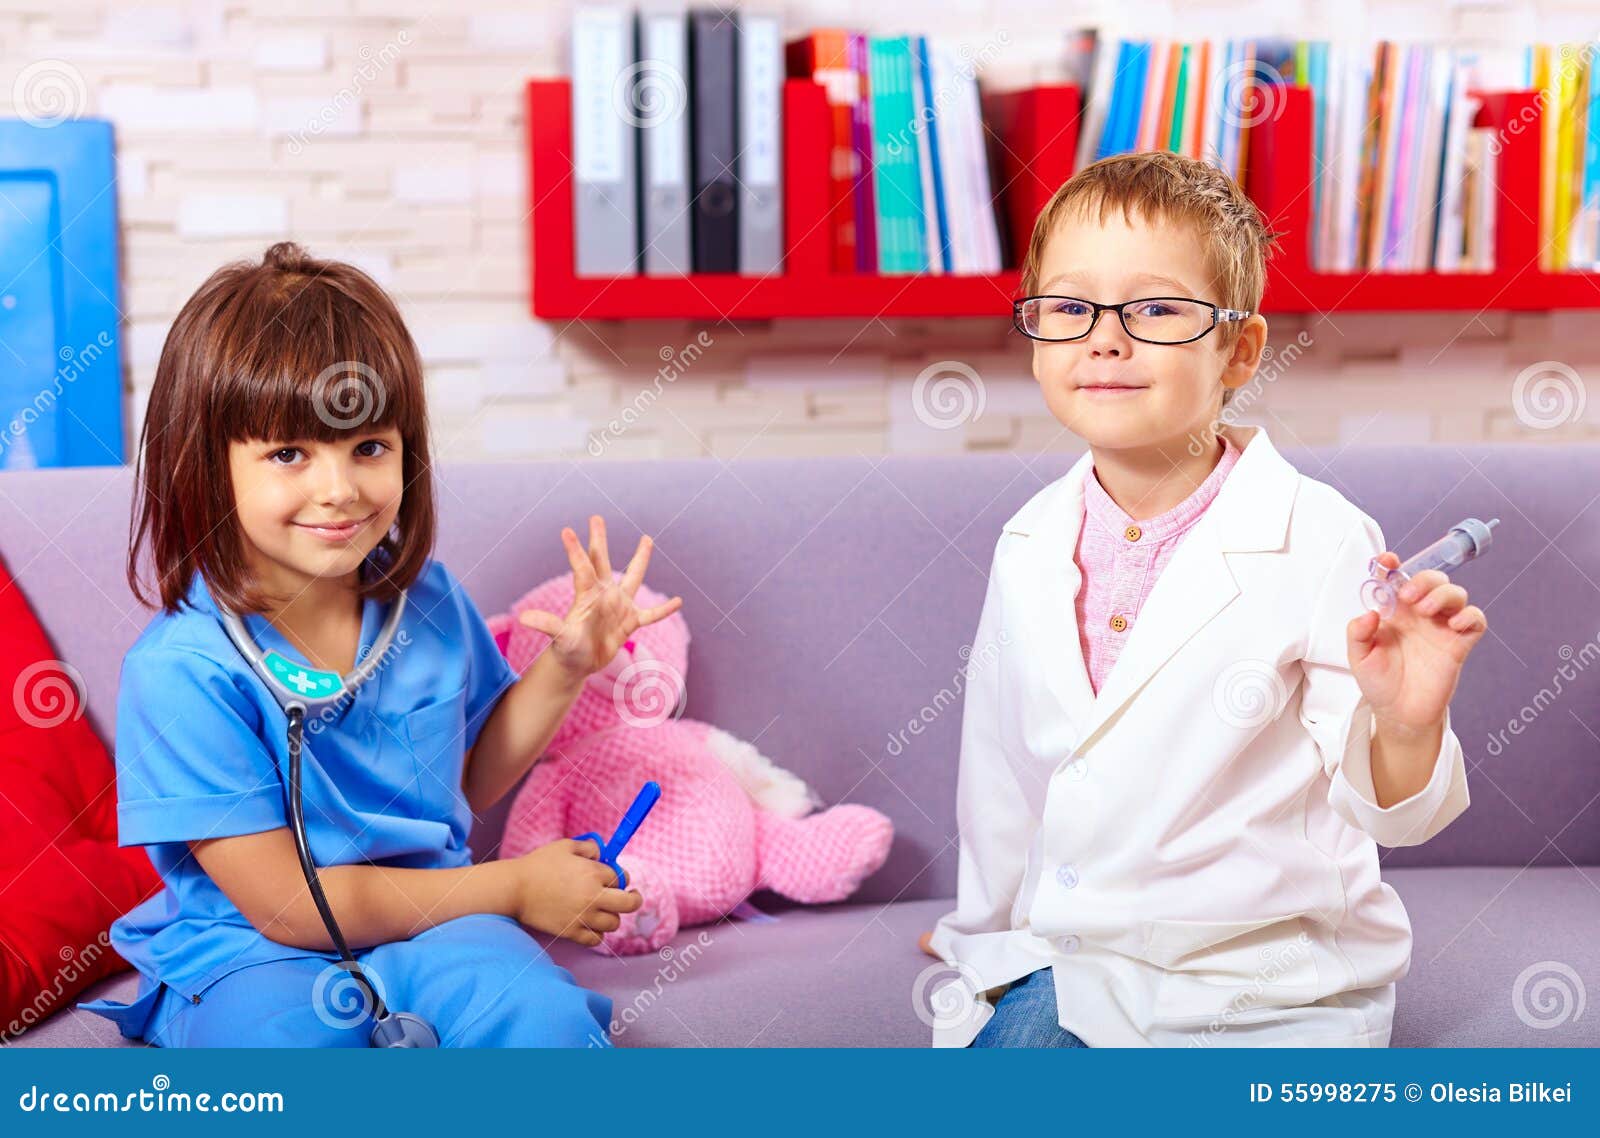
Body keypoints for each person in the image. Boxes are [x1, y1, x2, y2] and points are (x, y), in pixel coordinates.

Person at [921, 151, 1488, 1048]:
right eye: (1068, 307)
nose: (1104, 339)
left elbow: (1397, 814)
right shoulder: (1028, 541)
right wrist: (983, 940)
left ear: (1241, 350)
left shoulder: (1322, 536)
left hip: (1264, 983)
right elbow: (998, 778)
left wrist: (1407, 722)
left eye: (1155, 310)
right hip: (1075, 967)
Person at [79, 242, 680, 1047]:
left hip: (441, 925)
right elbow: (288, 906)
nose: (339, 490)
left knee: (548, 1027)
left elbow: (472, 776)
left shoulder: (428, 604)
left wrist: (567, 666)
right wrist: (514, 888)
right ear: (206, 467)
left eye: (368, 448)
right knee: (278, 1051)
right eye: (288, 454)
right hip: (256, 950)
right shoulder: (182, 671)